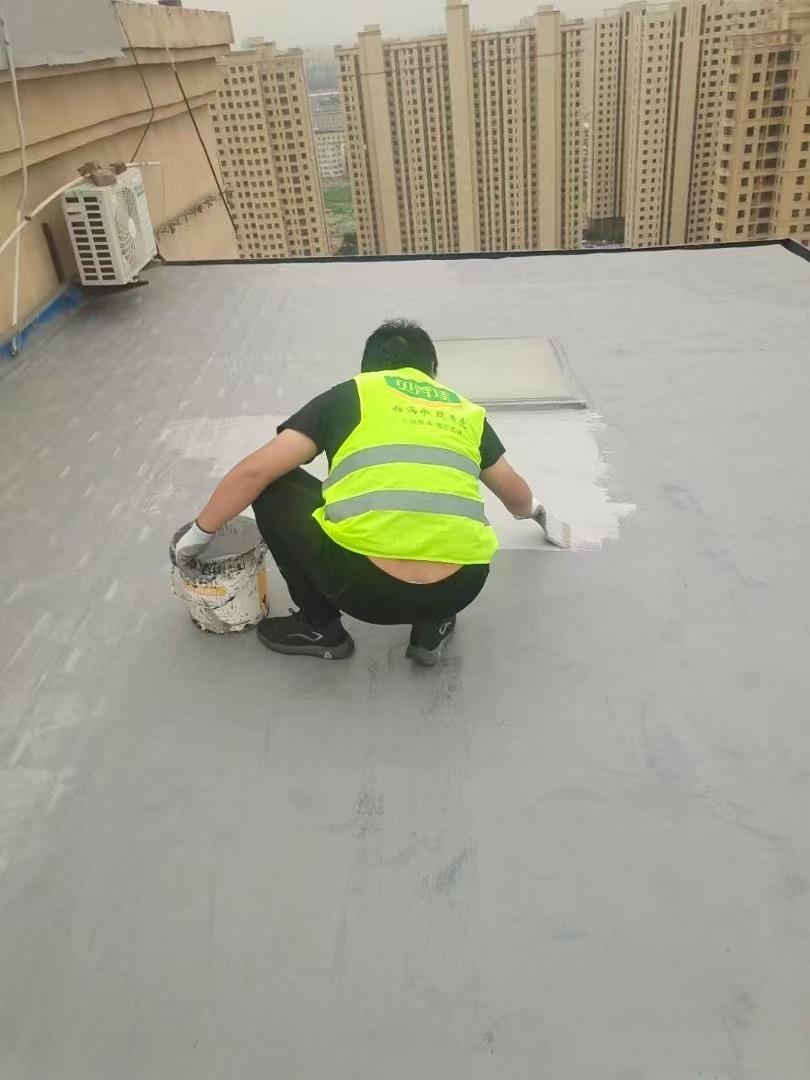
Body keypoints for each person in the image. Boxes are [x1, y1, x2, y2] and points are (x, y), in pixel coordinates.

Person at [172, 319, 554, 666]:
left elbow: (256, 471)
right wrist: (537, 512)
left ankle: (320, 627)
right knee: (444, 522)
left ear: (367, 369)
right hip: (460, 587)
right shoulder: (464, 411)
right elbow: (515, 494)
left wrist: (198, 535)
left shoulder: (352, 394)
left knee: (274, 484)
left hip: (364, 590)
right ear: (432, 372)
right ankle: (432, 625)